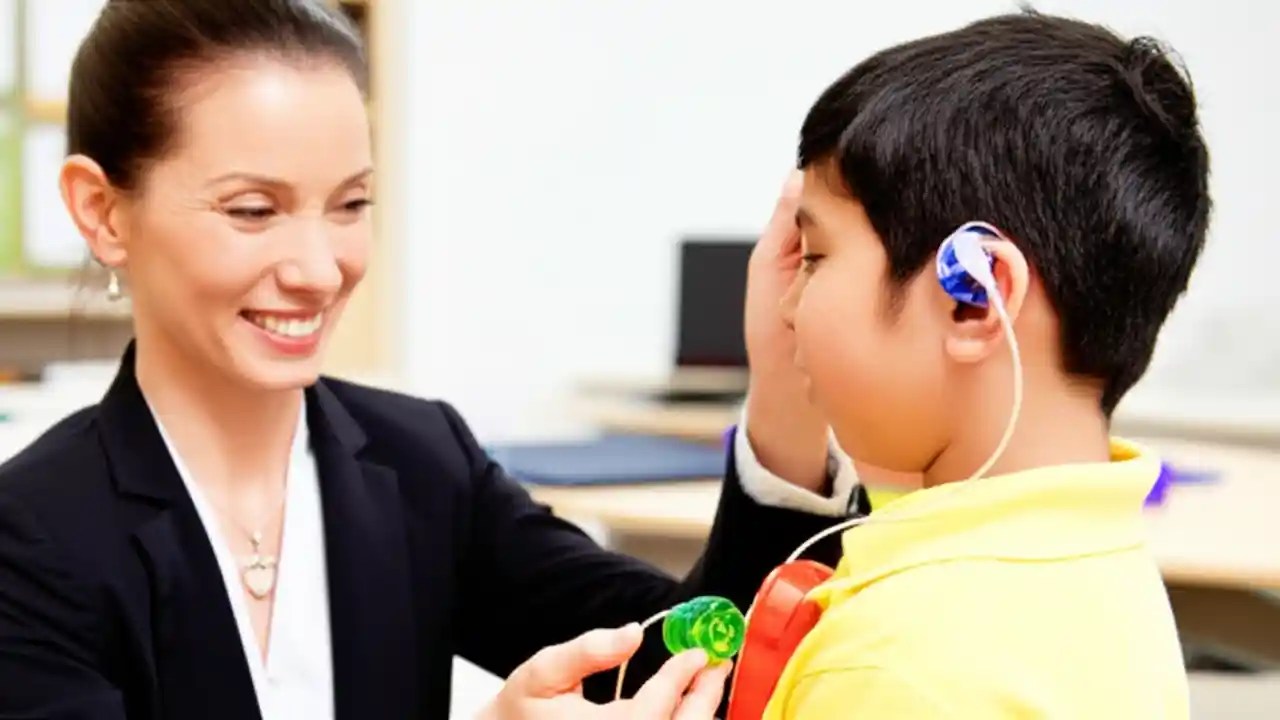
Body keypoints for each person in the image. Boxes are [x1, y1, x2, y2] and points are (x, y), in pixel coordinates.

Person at [0, 1, 864, 718]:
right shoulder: (33, 534)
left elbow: (692, 651)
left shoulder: (419, 463)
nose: (317, 268)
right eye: (254, 210)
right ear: (101, 211)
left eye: (351, 204)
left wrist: (786, 383)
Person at [757, 11, 1210, 719]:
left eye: (814, 258)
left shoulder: (893, 660)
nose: (786, 307)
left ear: (975, 297)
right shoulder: (1098, 561)